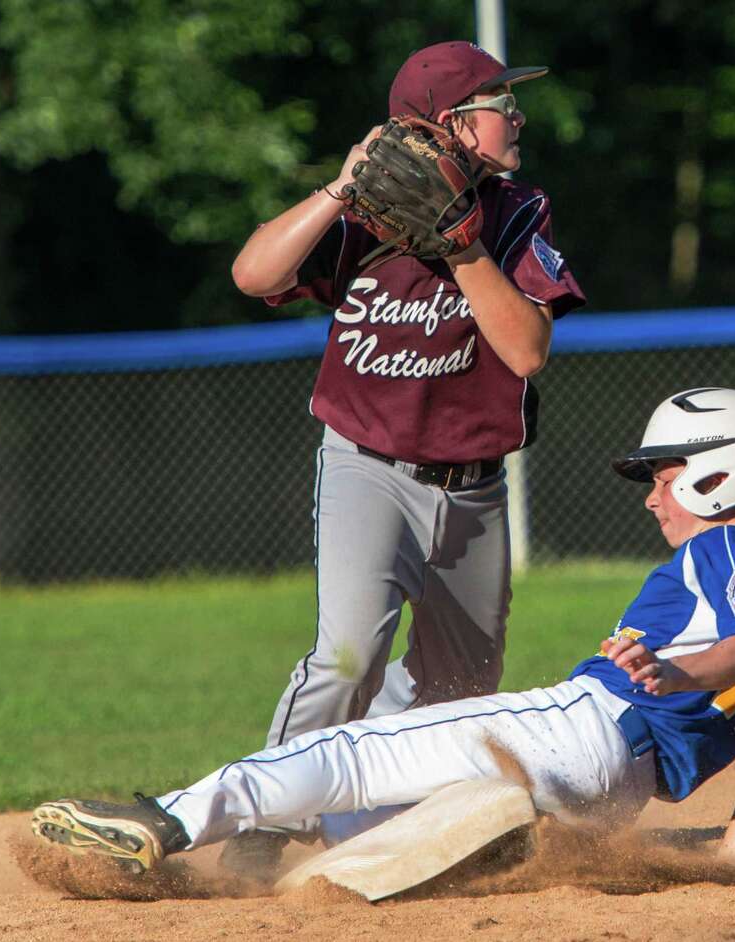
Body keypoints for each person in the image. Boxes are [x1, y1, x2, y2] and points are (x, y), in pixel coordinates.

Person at [30, 388, 735, 874]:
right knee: (365, 821)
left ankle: (164, 822)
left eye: (666, 481)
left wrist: (675, 675)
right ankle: (329, 863)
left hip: (585, 727)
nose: (652, 500)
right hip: (618, 793)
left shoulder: (725, 546)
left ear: (720, 476)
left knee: (347, 752)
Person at [224, 42, 586, 871]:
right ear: (454, 122)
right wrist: (339, 187)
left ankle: (405, 827)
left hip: (474, 487)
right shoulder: (363, 218)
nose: (518, 115)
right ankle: (265, 820)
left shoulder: (517, 210)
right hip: (367, 466)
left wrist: (463, 246)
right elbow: (253, 273)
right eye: (501, 101)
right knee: (349, 652)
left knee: (461, 691)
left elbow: (527, 350)